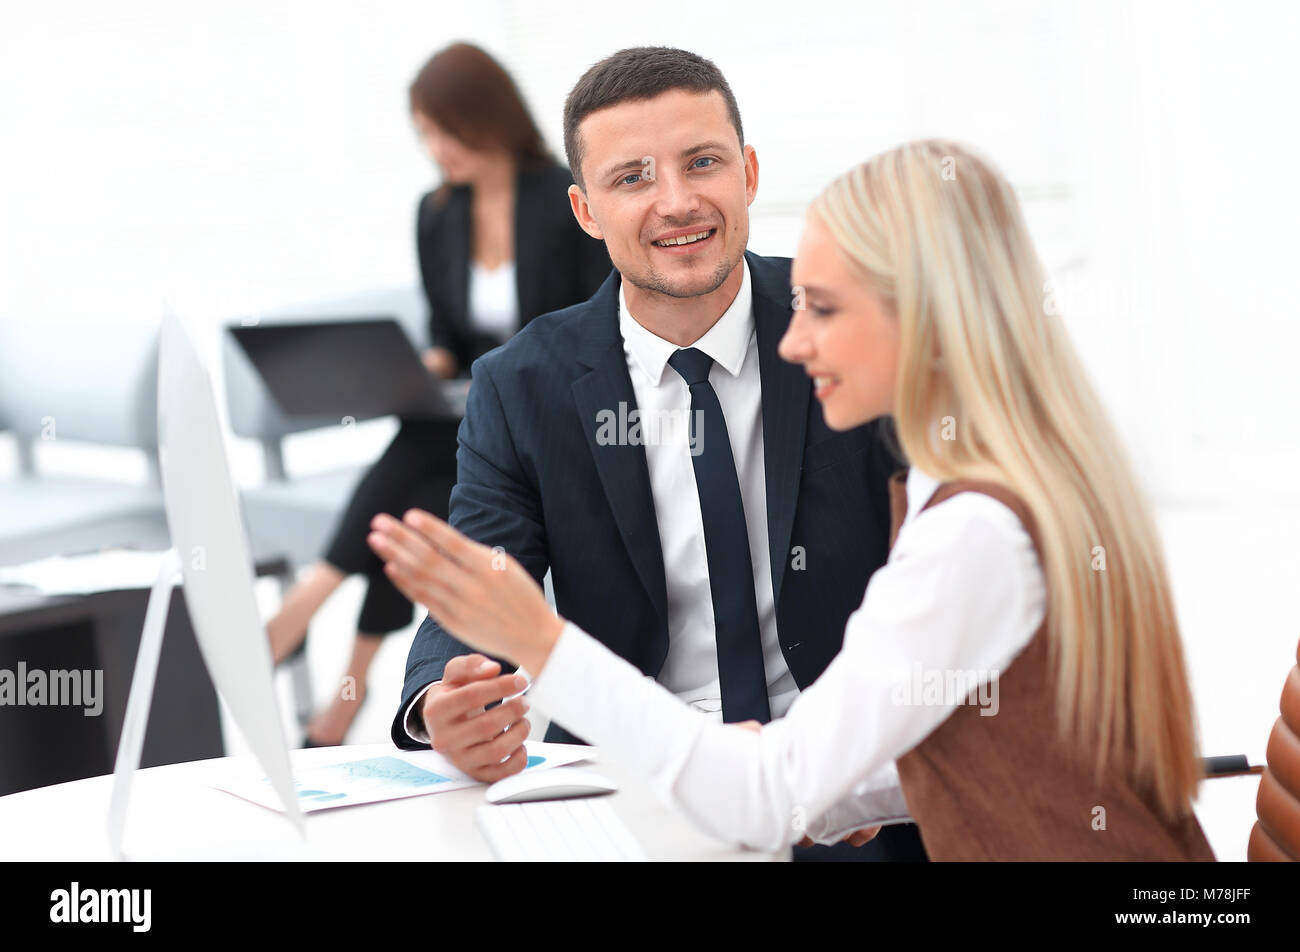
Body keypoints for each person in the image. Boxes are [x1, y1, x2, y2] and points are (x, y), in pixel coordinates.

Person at [369, 138, 1216, 861]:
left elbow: (766, 801)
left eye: (827, 308)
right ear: (584, 207)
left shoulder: (977, 531)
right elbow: (982, 736)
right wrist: (832, 776)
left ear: (928, 315)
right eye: (629, 176)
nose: (795, 338)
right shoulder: (1010, 480)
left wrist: (542, 643)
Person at [385, 46, 926, 862]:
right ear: (585, 210)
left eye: (702, 162)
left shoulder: (857, 330)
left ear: (747, 172)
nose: (676, 203)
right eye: (632, 177)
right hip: (628, 788)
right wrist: (441, 700)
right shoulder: (520, 385)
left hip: (847, 787)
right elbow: (484, 576)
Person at [265, 42, 609, 747]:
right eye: (422, 132)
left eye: (444, 128)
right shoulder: (437, 212)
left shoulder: (559, 195)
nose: (435, 147)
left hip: (551, 398)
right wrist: (429, 361)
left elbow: (591, 315)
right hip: (467, 407)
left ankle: (314, 608)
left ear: (487, 118)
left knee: (429, 481)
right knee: (428, 475)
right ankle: (336, 702)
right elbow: (450, 331)